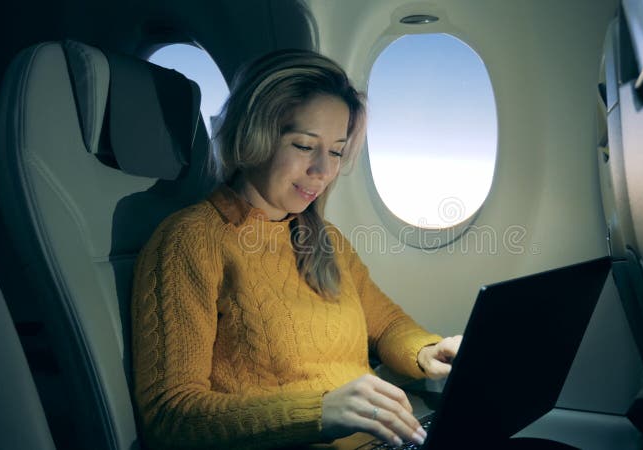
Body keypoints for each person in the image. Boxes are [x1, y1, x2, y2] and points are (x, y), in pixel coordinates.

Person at [130, 49, 462, 450]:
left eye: (337, 151)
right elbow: (171, 415)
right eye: (305, 146)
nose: (323, 170)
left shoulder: (325, 240)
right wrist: (319, 412)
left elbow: (386, 324)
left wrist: (427, 350)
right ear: (254, 135)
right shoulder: (190, 240)